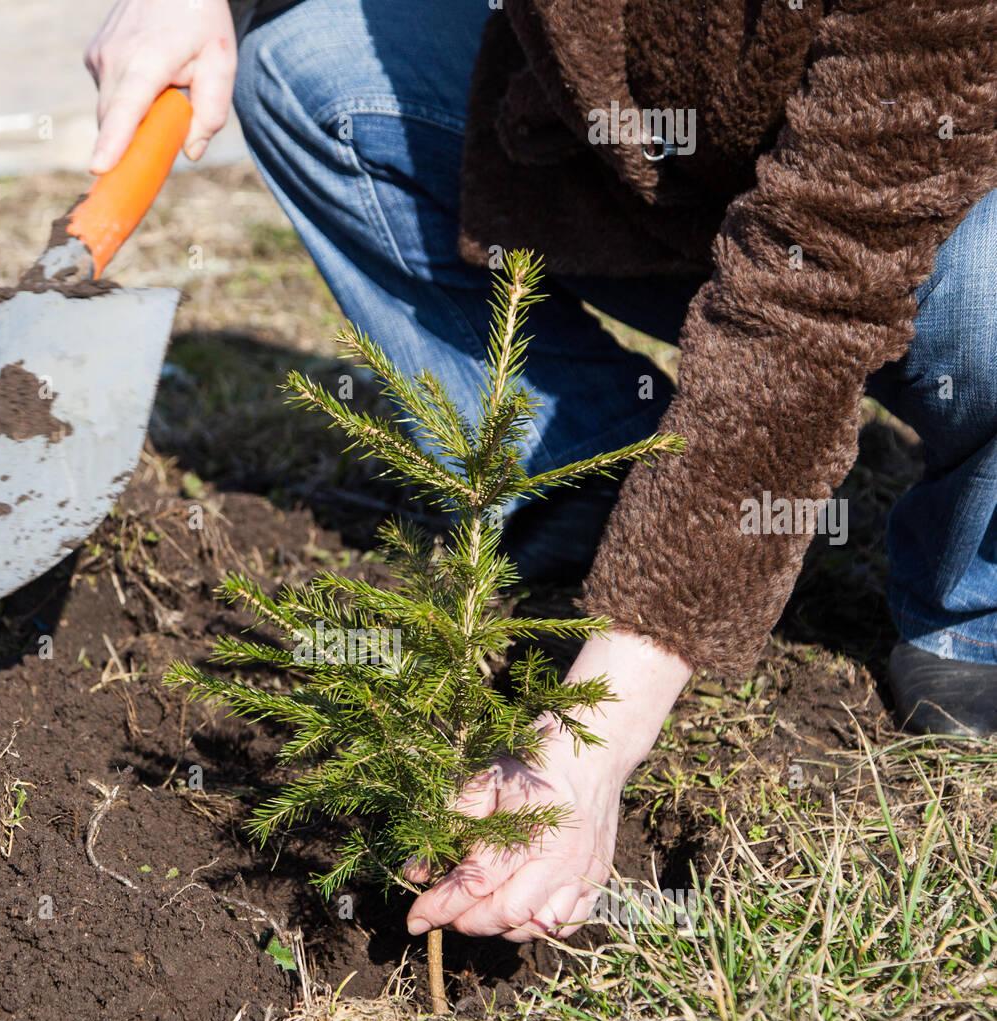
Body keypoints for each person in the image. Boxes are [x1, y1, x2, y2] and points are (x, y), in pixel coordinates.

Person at [84, 0, 997, 945]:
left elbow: (818, 291)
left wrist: (588, 749)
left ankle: (972, 602)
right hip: (650, 156)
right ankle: (589, 490)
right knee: (303, 69)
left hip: (927, 205)